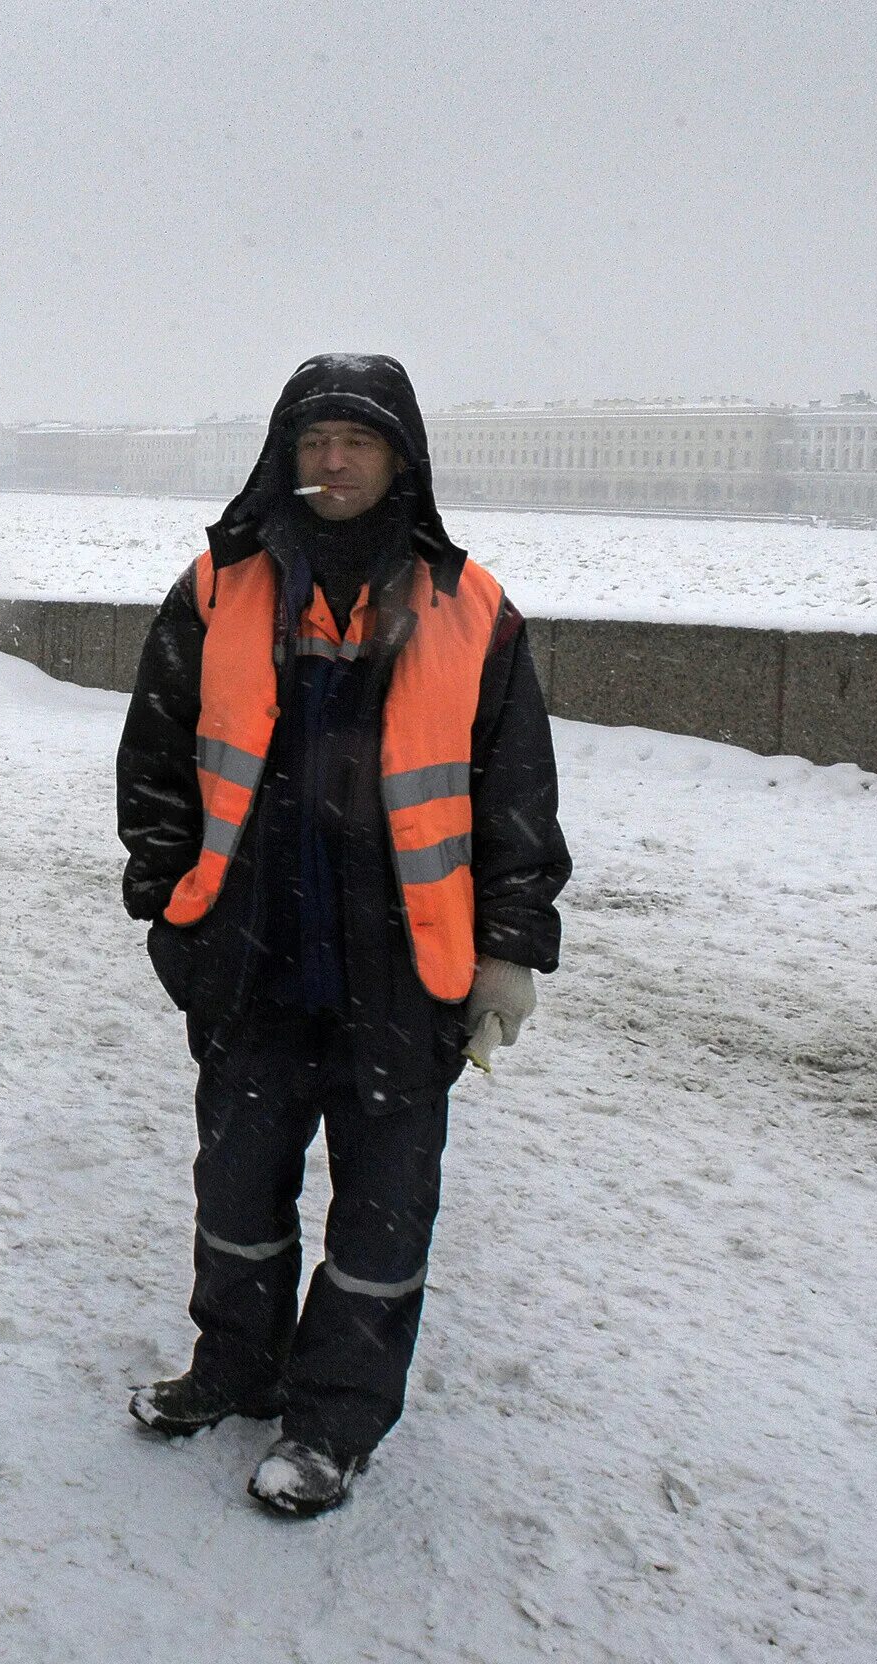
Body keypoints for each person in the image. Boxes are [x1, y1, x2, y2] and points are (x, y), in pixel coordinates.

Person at [115, 352, 569, 1518]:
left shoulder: (471, 606)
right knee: (236, 1186)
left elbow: (514, 791)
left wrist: (509, 948)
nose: (331, 462)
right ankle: (234, 1365)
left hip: (404, 973)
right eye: (313, 440)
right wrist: (168, 907)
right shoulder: (217, 586)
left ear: (400, 459)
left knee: (380, 1215)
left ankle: (332, 1419)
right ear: (283, 452)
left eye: (355, 442)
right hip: (250, 960)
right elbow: (157, 759)